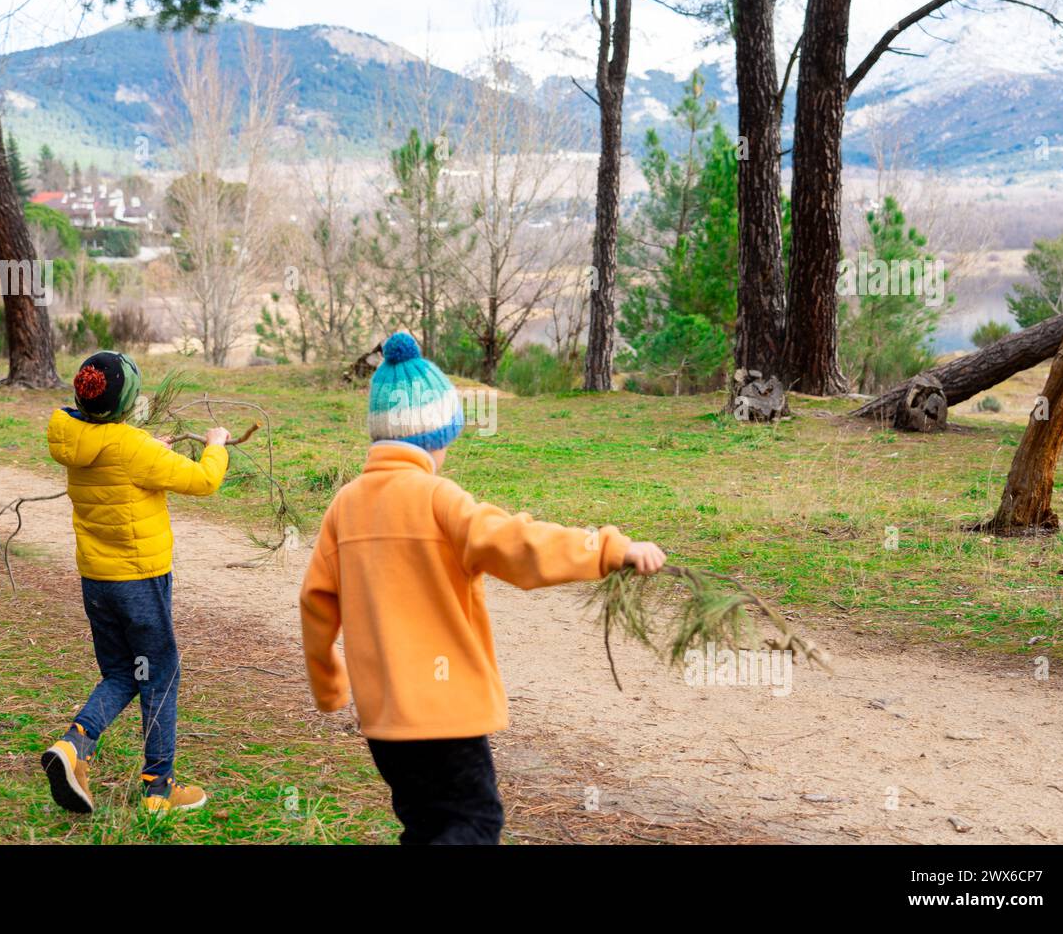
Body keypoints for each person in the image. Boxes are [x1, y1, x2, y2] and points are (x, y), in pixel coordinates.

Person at [299, 332, 666, 844]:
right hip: (444, 712)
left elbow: (315, 601)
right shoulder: (439, 498)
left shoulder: (345, 505)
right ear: (434, 439)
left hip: (383, 717)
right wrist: (608, 548)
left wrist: (330, 685)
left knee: (425, 826)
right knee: (473, 824)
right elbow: (518, 544)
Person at [41, 350, 230, 814]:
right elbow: (204, 480)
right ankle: (158, 790)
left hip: (97, 580)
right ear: (126, 401)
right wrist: (217, 442)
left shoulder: (75, 436)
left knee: (123, 672)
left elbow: (120, 461)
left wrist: (152, 447)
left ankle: (74, 745)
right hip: (140, 581)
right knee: (161, 675)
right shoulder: (133, 447)